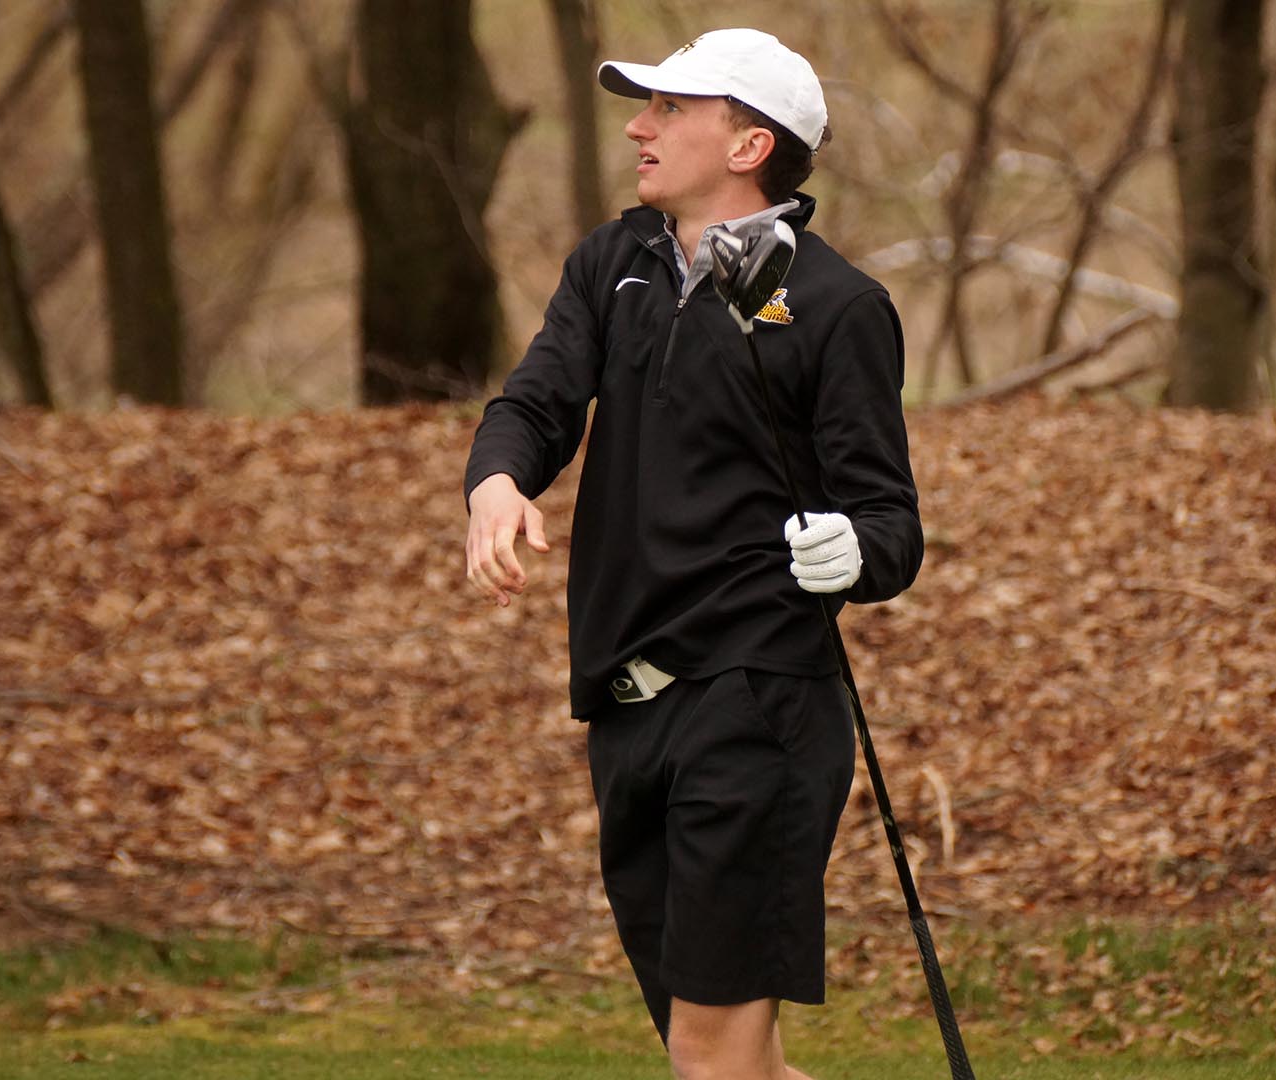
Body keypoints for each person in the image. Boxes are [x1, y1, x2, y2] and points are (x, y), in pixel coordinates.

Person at [463, 27, 921, 1080]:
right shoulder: (611, 264)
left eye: (671, 109)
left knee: (710, 1060)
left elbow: (891, 525)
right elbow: (535, 403)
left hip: (754, 707)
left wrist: (849, 548)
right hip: (627, 709)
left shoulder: (838, 308)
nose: (641, 126)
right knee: (731, 1061)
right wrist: (497, 482)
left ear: (749, 144)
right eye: (646, 107)